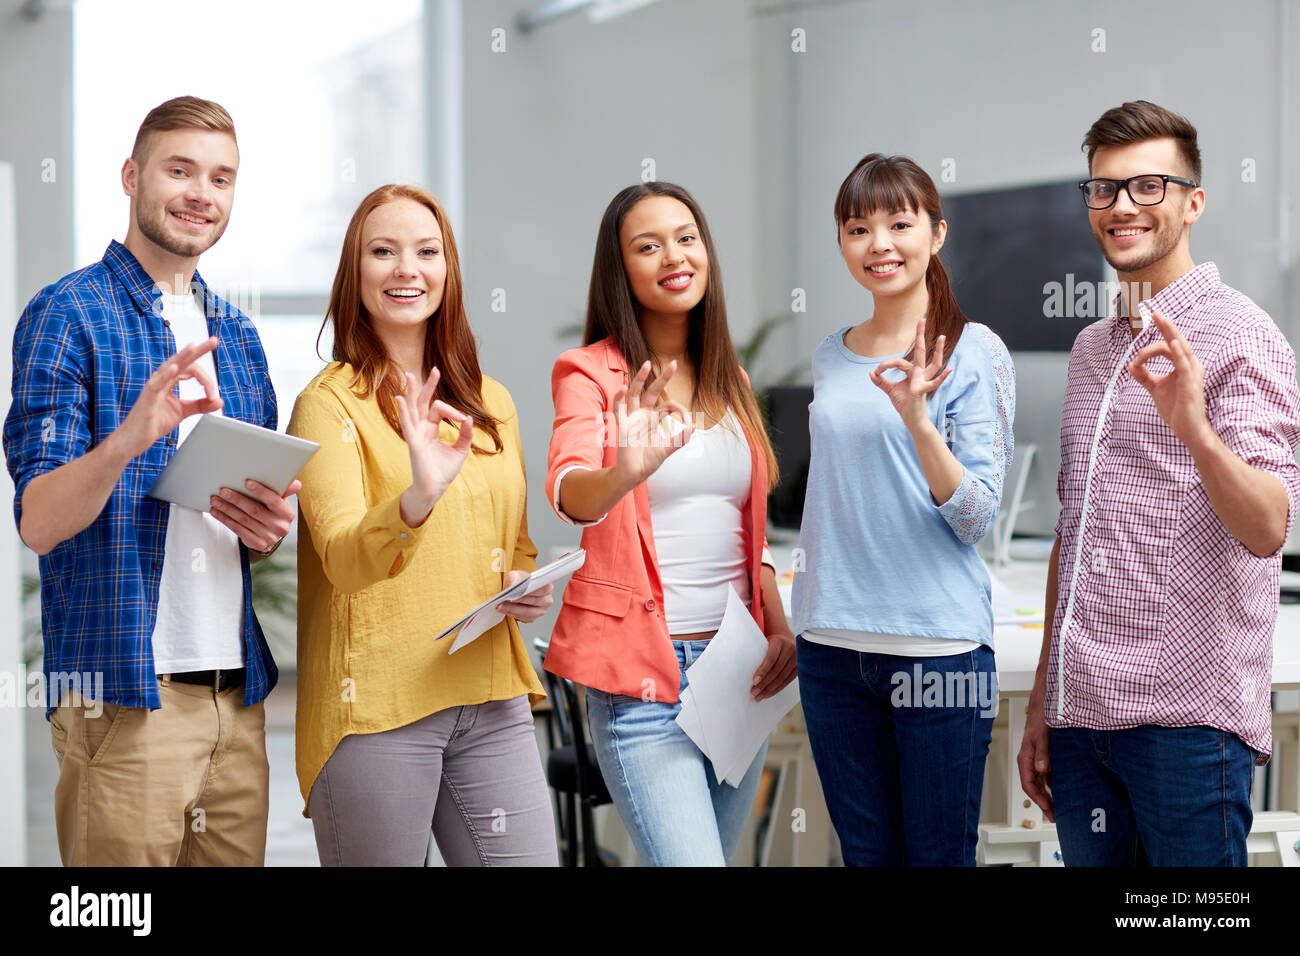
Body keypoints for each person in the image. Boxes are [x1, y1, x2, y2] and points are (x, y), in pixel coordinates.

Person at [3, 96, 294, 866]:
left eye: (221, 177)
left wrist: (262, 529)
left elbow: (237, 532)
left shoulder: (237, 333)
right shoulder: (68, 314)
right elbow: (38, 521)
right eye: (180, 169)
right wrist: (127, 441)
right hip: (124, 700)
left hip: (234, 699)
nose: (202, 192)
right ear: (132, 176)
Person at [1017, 101, 1300, 867]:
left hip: (1185, 725)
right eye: (1104, 189)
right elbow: (1073, 535)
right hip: (1082, 724)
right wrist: (1047, 700)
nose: (1121, 207)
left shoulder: (1242, 335)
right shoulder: (1088, 349)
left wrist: (1195, 432)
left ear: (1191, 202)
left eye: (1148, 186)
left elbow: (1268, 525)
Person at [287, 183, 557, 866]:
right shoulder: (328, 405)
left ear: (448, 269)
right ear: (357, 273)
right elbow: (346, 560)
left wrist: (526, 582)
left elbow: (513, 541)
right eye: (384, 251)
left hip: (491, 697)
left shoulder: (489, 401)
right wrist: (417, 499)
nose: (407, 268)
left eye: (426, 251)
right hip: (377, 707)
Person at [545, 181, 796, 866]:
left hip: (736, 671)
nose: (674, 256)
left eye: (686, 237)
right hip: (642, 683)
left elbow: (752, 537)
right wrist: (628, 468)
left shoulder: (730, 378)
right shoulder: (591, 374)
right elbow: (571, 492)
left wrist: (777, 627)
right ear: (620, 268)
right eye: (647, 245)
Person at [792, 153, 1015, 866]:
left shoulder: (973, 352)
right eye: (858, 228)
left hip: (936, 652)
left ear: (936, 234)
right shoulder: (831, 356)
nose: (879, 243)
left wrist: (920, 421)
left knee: (939, 858)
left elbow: (977, 518)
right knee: (865, 857)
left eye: (899, 223)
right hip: (830, 647)